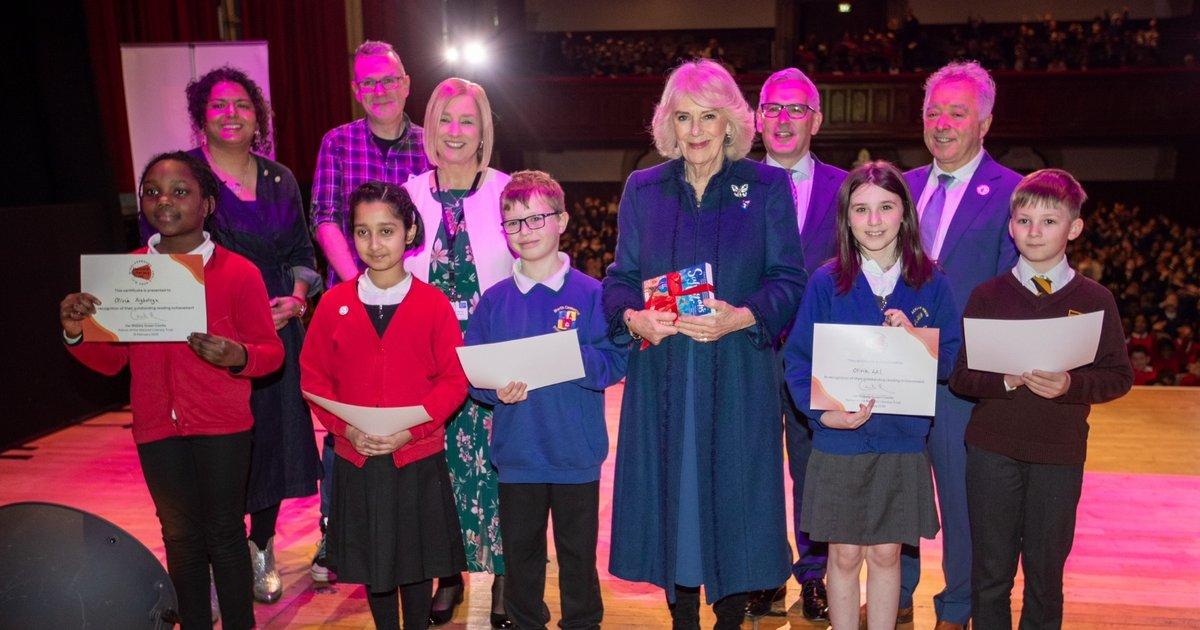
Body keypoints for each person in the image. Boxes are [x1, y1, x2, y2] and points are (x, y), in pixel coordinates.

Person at [602, 59, 807, 629]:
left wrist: (741, 317)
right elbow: (620, 278)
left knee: (737, 494)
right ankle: (682, 616)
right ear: (668, 123)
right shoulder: (643, 189)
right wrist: (634, 318)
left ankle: (732, 615)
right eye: (684, 117)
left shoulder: (767, 186)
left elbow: (789, 280)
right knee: (676, 493)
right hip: (664, 371)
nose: (695, 130)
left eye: (708, 116)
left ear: (730, 123)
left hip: (737, 368)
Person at [61, 151, 284, 629]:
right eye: (152, 192)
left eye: (180, 191)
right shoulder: (125, 274)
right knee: (180, 537)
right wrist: (76, 331)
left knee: (225, 534)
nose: (164, 200)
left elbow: (272, 352)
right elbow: (111, 361)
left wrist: (239, 356)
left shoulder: (238, 273)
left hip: (223, 426)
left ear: (207, 204)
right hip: (157, 427)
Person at [136, 66, 321, 603]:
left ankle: (257, 546)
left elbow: (301, 255)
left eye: (241, 104)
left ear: (257, 116)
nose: (231, 114)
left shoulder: (280, 178)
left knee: (272, 444)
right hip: (203, 339)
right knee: (213, 445)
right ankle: (219, 550)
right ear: (201, 118)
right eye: (218, 105)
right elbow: (157, 254)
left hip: (273, 334)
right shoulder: (181, 177)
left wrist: (297, 297)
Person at [949, 169, 1133, 628]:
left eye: (1049, 221)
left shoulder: (1095, 299)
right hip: (992, 450)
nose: (1035, 231)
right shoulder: (987, 296)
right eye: (1025, 220)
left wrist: (1073, 386)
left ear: (1074, 228)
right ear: (1010, 227)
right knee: (991, 572)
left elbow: (1118, 377)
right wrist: (1005, 381)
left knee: (1046, 575)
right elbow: (961, 377)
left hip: (1058, 453)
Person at [783, 161, 960, 630]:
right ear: (846, 218)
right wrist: (825, 414)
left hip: (901, 444)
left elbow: (953, 361)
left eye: (885, 207)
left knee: (886, 556)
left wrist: (919, 340)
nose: (874, 220)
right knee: (841, 556)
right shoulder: (826, 281)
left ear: (905, 214)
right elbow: (798, 362)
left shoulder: (932, 282)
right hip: (838, 443)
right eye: (861, 210)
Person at [300, 182, 468, 630]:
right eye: (362, 232)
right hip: (358, 458)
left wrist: (410, 431)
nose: (375, 244)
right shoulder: (334, 303)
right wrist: (345, 430)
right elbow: (313, 377)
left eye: (387, 231)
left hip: (414, 457)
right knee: (376, 565)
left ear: (410, 231)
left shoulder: (433, 305)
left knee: (414, 564)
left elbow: (454, 379)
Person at [464, 170, 628, 630]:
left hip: (575, 454)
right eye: (514, 223)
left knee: (577, 556)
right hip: (518, 457)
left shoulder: (593, 295)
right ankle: (525, 621)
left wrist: (570, 357)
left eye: (537, 218)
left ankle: (582, 622)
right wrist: (493, 389)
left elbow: (616, 362)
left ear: (562, 220)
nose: (526, 231)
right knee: (522, 557)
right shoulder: (493, 302)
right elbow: (474, 374)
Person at [899, 60, 1022, 630]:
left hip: (959, 380)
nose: (941, 123)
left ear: (985, 122)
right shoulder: (901, 188)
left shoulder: (1012, 192)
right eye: (932, 111)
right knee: (895, 493)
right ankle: (896, 596)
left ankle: (957, 608)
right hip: (894, 370)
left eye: (957, 111)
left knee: (962, 503)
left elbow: (1009, 293)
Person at [309, 39, 429, 582]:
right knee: (346, 420)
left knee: (413, 420)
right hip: (354, 302)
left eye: (388, 80)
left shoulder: (432, 143)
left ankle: (415, 535)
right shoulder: (337, 143)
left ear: (406, 84)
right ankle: (337, 533)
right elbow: (325, 217)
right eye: (367, 83)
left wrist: (402, 283)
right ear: (357, 92)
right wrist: (364, 280)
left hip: (417, 299)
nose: (379, 91)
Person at [401, 77, 515, 627]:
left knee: (496, 475)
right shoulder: (407, 194)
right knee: (438, 477)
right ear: (429, 127)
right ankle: (448, 575)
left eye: (466, 120)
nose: (454, 131)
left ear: (483, 131)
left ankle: (500, 580)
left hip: (493, 359)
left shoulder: (508, 191)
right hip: (428, 365)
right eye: (444, 118)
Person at [744, 67, 847, 622]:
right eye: (774, 109)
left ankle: (814, 575)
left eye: (796, 109)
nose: (783, 120)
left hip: (818, 354)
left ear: (816, 120)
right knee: (757, 466)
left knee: (813, 469)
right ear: (758, 119)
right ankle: (764, 574)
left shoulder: (847, 188)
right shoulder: (734, 184)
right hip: (751, 350)